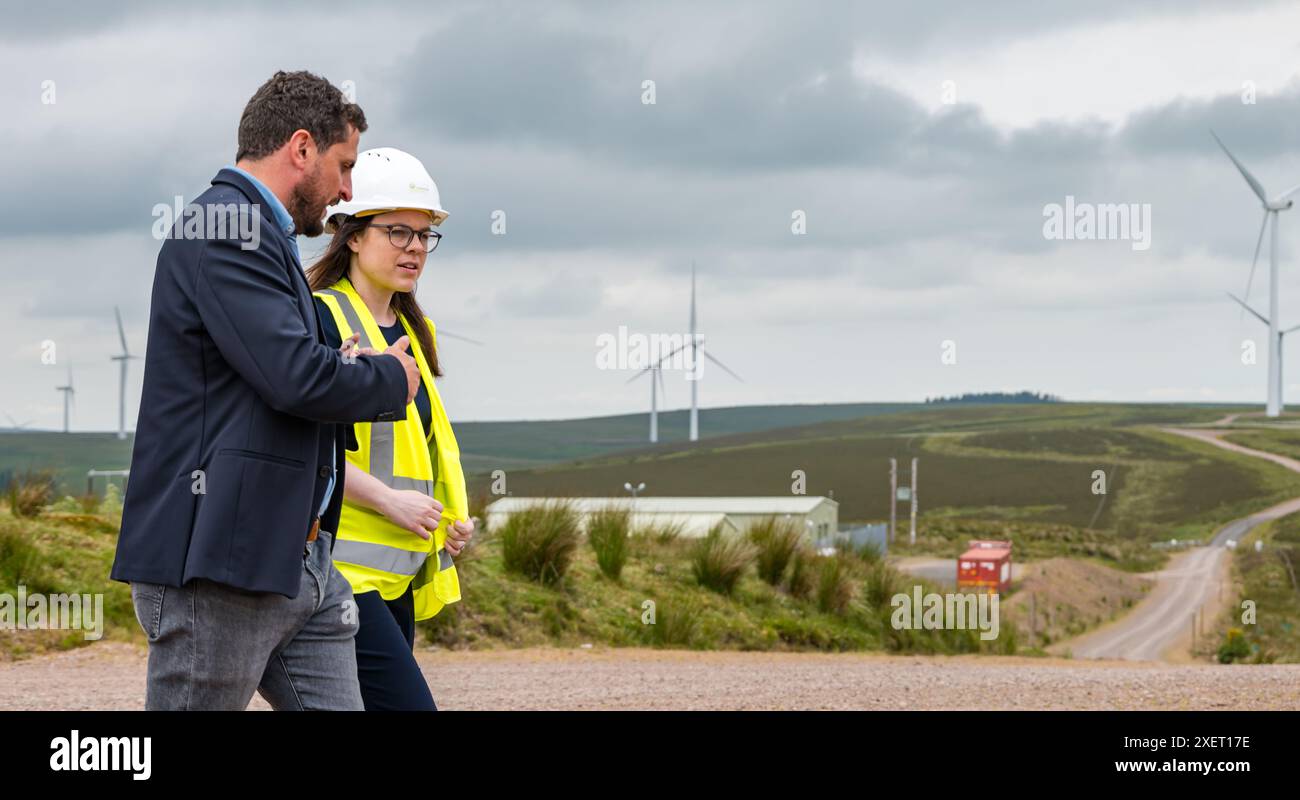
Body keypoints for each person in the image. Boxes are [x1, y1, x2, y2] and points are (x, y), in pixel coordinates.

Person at [110, 72, 422, 711]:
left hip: (298, 559)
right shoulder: (227, 229)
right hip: (221, 566)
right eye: (344, 166)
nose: (346, 190)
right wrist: (387, 377)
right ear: (301, 148)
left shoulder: (259, 235)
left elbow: (273, 370)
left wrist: (333, 363)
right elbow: (292, 377)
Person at [306, 147, 474, 711]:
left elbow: (418, 450)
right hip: (340, 573)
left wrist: (446, 519)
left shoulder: (407, 328)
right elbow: (304, 445)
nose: (416, 249)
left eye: (425, 236)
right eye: (398, 232)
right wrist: (388, 502)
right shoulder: (323, 317)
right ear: (352, 235)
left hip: (395, 573)